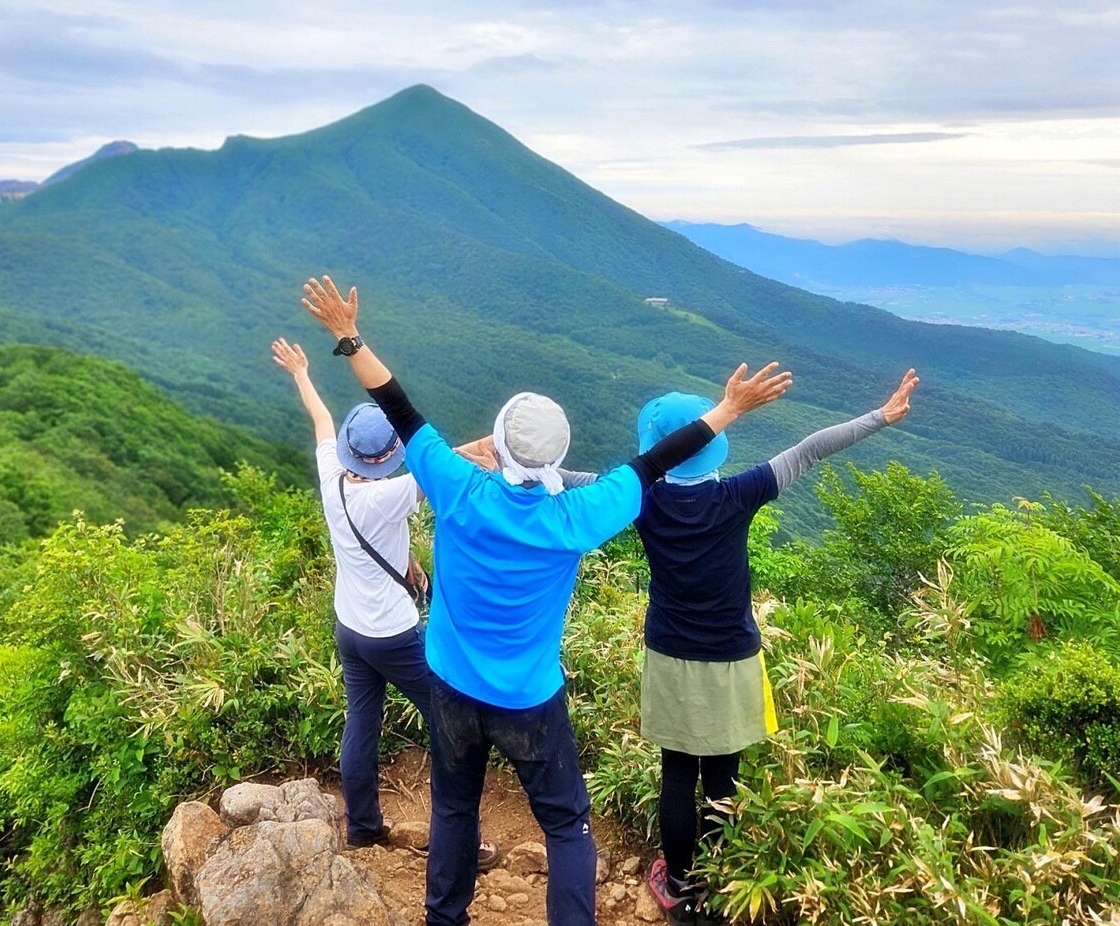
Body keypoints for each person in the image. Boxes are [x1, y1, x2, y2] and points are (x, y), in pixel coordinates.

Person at [298, 275, 792, 926]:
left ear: (496, 446)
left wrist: (347, 334)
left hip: (449, 682)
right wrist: (726, 410)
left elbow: (397, 405)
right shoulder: (580, 514)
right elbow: (655, 463)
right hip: (528, 697)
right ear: (557, 457)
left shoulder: (455, 486)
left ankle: (444, 918)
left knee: (452, 806)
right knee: (565, 826)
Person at [628, 370, 920, 925]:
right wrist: (880, 417)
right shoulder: (740, 493)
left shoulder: (640, 498)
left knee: (675, 773)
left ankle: (680, 884)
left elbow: (569, 480)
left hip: (669, 652)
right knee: (722, 777)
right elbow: (810, 450)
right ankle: (719, 888)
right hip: (733, 656)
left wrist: (498, 461)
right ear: (714, 449)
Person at [269, 338, 498, 868]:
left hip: (349, 627)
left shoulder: (333, 479)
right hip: (394, 634)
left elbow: (321, 419)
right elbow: (444, 466)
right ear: (392, 455)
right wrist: (495, 441)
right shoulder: (390, 493)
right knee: (449, 723)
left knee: (361, 722)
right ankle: (466, 843)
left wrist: (302, 373)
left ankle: (364, 829)